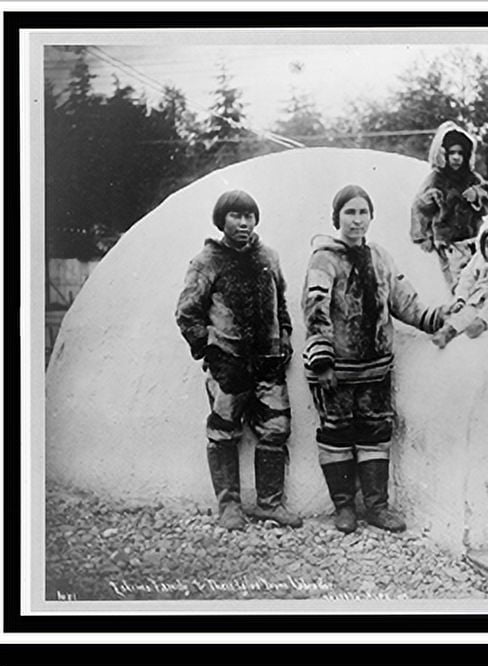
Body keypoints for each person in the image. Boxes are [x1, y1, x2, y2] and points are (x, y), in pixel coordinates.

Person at [303, 185, 447, 534]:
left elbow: (404, 303)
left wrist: (442, 317)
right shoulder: (324, 258)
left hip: (376, 368)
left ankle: (377, 507)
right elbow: (315, 306)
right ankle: (344, 508)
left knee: (376, 433)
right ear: (336, 217)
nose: (356, 220)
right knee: (337, 435)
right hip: (336, 370)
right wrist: (322, 360)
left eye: (362, 212)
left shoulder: (381, 258)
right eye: (349, 212)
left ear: (371, 217)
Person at [175, 190, 302, 531]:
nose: (244, 223)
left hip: (268, 364)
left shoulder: (269, 258)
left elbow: (282, 305)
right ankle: (229, 506)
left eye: (249, 216)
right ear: (222, 220)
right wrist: (211, 351)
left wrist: (284, 338)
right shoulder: (207, 261)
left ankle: (269, 503)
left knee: (276, 429)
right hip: (229, 366)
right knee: (223, 431)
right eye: (236, 216)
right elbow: (187, 313)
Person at [410, 121, 488, 289]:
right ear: (443, 155)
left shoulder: (471, 178)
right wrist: (423, 236)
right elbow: (419, 207)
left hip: (472, 239)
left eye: (460, 153)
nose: (456, 157)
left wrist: (477, 193)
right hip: (449, 242)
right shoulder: (436, 179)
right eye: (452, 153)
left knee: (481, 277)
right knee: (458, 282)